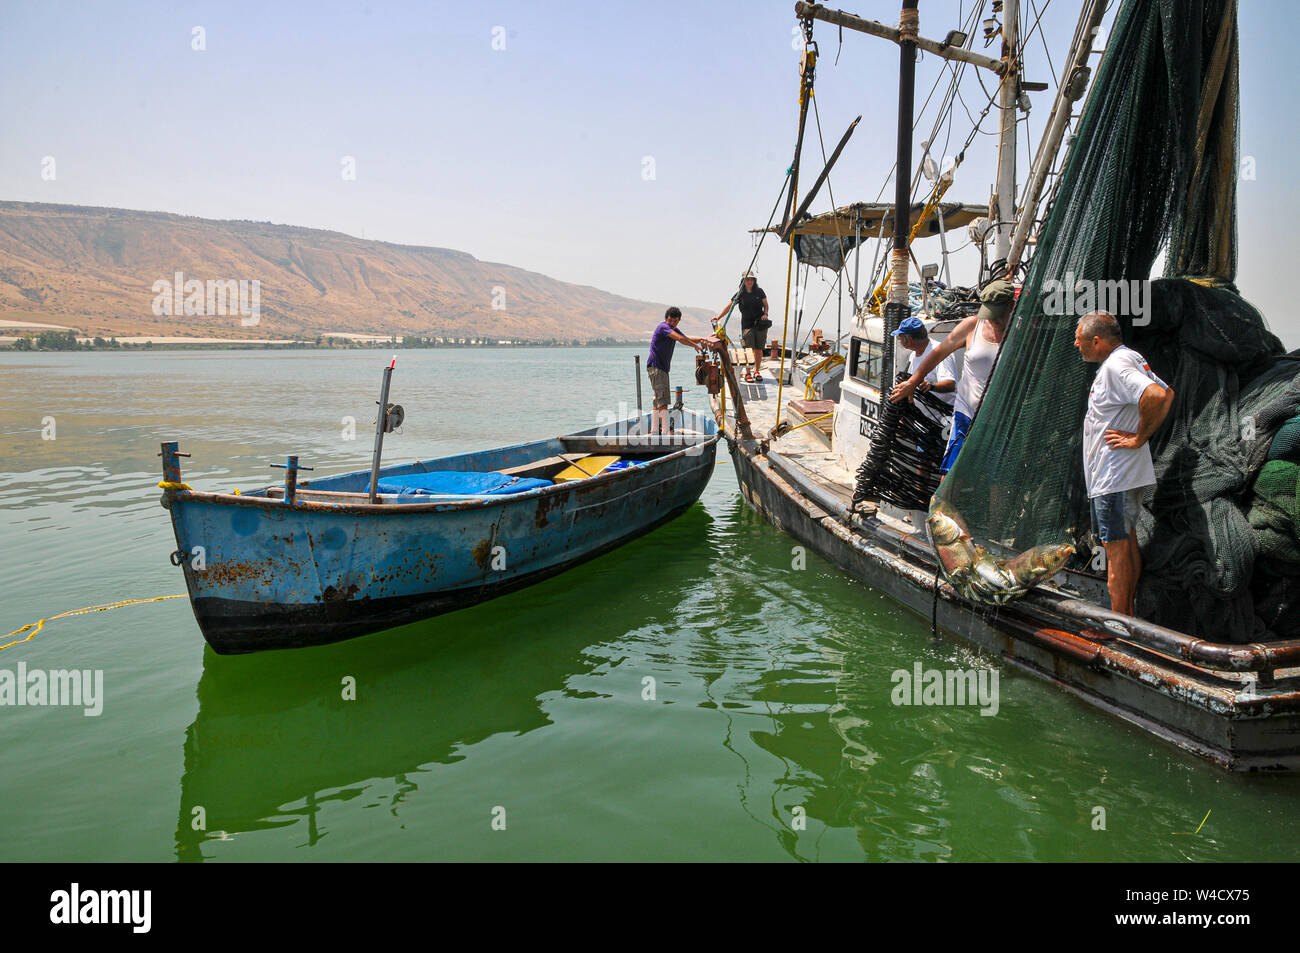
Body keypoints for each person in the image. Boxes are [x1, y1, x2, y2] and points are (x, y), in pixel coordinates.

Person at [1074, 310, 1174, 618]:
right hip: (1123, 474)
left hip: (1113, 475)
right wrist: (1140, 436)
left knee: (1115, 550)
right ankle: (1129, 617)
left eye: (1079, 339)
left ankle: (1118, 626)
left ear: (1097, 340)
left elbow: (1156, 395)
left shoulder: (1116, 365)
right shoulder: (1129, 357)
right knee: (1126, 544)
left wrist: (1139, 437)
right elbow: (1168, 393)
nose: (1076, 345)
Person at [889, 277, 1016, 474]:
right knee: (950, 473)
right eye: (989, 315)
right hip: (966, 412)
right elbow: (940, 352)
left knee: (993, 477)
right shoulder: (972, 326)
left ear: (1011, 307)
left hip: (1000, 417)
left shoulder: (1022, 331)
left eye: (998, 316)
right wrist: (913, 382)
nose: (993, 321)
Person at [646, 306, 706, 434]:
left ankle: (655, 430)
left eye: (675, 321)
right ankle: (666, 431)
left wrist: (701, 340)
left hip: (661, 368)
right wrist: (695, 346)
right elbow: (679, 339)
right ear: (666, 319)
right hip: (657, 367)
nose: (672, 323)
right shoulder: (663, 327)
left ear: (678, 321)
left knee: (658, 399)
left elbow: (686, 339)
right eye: (670, 320)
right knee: (663, 400)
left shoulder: (673, 329)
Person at [890, 315, 958, 425]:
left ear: (909, 339)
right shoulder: (913, 356)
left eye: (900, 337)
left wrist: (931, 386)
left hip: (941, 422)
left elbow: (951, 384)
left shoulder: (939, 352)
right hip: (923, 422)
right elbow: (912, 388)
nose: (899, 340)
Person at [715, 271, 769, 383]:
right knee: (749, 349)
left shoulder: (759, 292)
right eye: (747, 279)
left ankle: (757, 371)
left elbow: (766, 304)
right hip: (747, 325)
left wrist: (766, 314)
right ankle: (748, 373)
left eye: (751, 279)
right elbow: (729, 306)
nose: (750, 281)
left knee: (759, 349)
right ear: (743, 281)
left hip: (760, 324)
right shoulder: (740, 294)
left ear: (754, 281)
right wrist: (719, 317)